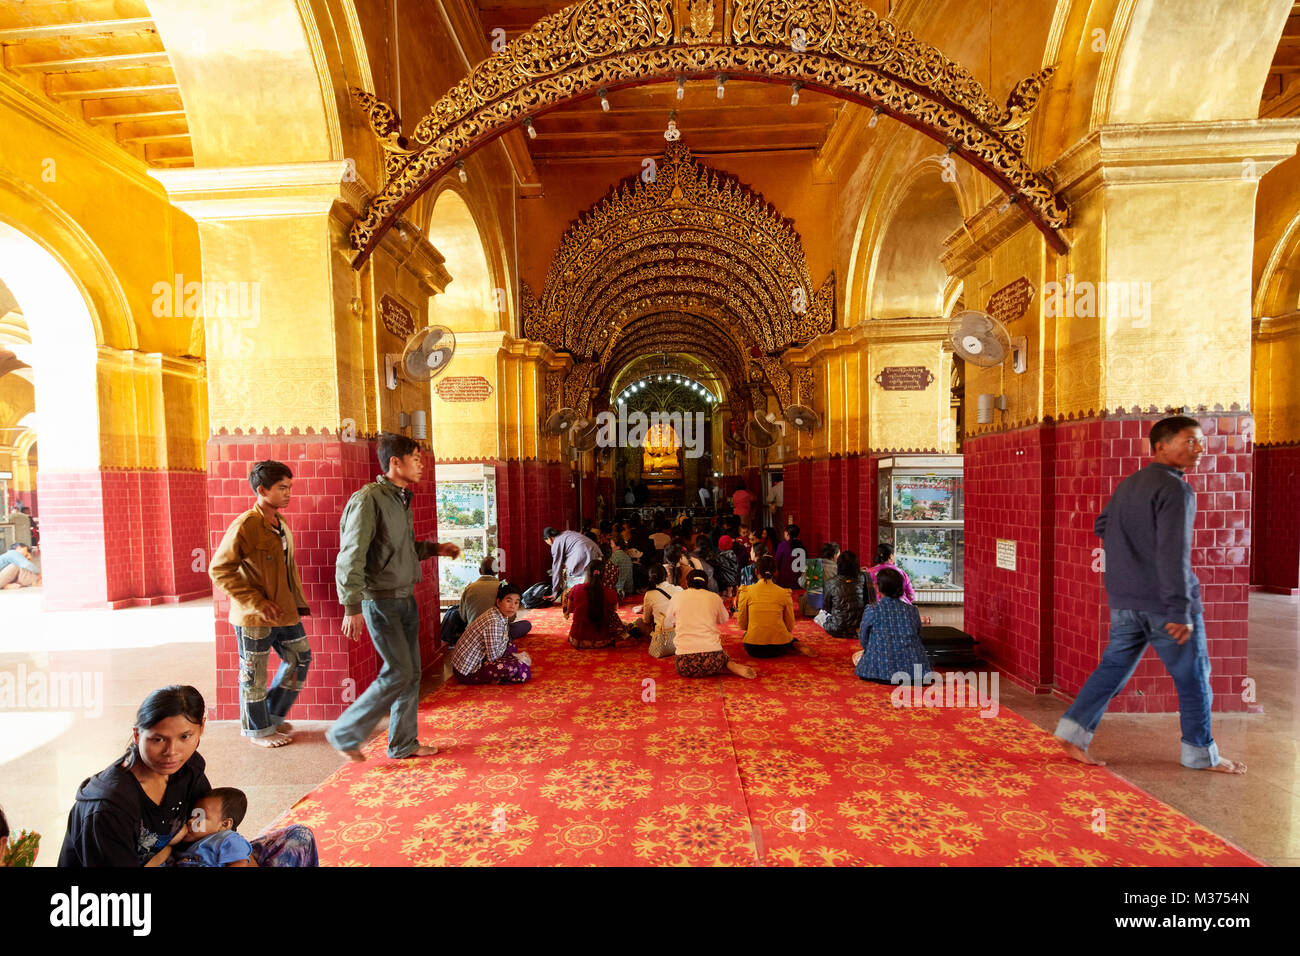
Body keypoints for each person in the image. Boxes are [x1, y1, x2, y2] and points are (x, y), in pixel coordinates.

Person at [1054, 416, 1246, 774]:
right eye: (1189, 441)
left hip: (1126, 599)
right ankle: (1200, 754)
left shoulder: (1130, 484)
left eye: (1200, 441)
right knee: (1193, 676)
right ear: (1160, 447)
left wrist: (1132, 554)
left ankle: (1073, 733)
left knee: (1113, 668)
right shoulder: (1176, 489)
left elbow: (1102, 525)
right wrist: (1180, 610)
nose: (1199, 448)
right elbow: (1173, 552)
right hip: (1164, 604)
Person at [58, 685, 317, 867]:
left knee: (298, 838)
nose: (172, 752)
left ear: (201, 728)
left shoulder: (188, 769)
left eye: (185, 737)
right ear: (138, 735)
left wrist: (237, 857)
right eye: (158, 739)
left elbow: (209, 828)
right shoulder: (106, 808)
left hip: (184, 859)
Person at [330, 433, 461, 762]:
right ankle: (345, 732)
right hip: (381, 601)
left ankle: (403, 743)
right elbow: (351, 556)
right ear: (395, 462)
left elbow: (401, 550)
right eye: (415, 459)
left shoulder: (401, 499)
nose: (420, 465)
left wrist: (434, 549)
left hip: (405, 599)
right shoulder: (368, 500)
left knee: (411, 673)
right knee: (399, 671)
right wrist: (352, 606)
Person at [209, 460, 313, 749]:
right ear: (262, 489)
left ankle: (271, 716)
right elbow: (219, 569)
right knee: (253, 673)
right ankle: (258, 730)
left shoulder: (279, 523)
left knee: (300, 658)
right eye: (282, 488)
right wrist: (256, 602)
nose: (288, 493)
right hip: (254, 617)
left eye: (289, 487)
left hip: (284, 611)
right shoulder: (246, 524)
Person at [664, 569, 757, 678]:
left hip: (684, 664)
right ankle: (728, 664)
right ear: (707, 583)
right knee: (718, 649)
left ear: (687, 583)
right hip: (713, 661)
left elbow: (670, 620)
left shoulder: (677, 597)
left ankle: (727, 665)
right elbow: (723, 620)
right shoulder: (714, 597)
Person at [855, 567, 928, 681]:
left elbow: (863, 636)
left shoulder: (872, 609)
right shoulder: (912, 610)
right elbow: (918, 635)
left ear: (879, 588)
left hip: (879, 671)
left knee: (857, 656)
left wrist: (871, 651)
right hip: (913, 672)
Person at [449, 583, 533, 684]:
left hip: (470, 662)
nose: (512, 606)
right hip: (467, 672)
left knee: (511, 646)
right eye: (508, 601)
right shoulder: (494, 621)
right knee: (520, 670)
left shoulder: (497, 613)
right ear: (499, 602)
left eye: (516, 603)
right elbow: (494, 657)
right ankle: (499, 678)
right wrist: (513, 658)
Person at [738, 555, 815, 658]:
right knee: (786, 636)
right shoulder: (784, 593)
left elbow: (742, 624)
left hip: (753, 647)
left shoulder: (746, 591)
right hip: (779, 647)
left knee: (746, 635)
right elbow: (789, 626)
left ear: (756, 572)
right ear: (775, 572)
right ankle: (793, 644)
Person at [163, 788, 257, 867]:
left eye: (199, 817)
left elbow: (240, 863)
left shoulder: (228, 839)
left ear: (225, 824)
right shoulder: (189, 845)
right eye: (192, 816)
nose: (190, 821)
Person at [460, 557, 531, 641]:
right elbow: (511, 617)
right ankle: (504, 639)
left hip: (473, 634)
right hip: (496, 633)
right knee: (526, 625)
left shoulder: (469, 588)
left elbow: (463, 617)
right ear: (497, 570)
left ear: (480, 570)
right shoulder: (504, 587)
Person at [565, 561, 628, 648]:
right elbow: (614, 610)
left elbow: (570, 610)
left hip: (577, 640)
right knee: (623, 625)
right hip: (602, 640)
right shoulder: (611, 593)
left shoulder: (576, 589)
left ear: (587, 573)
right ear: (604, 575)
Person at [821, 550, 869, 639]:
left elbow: (826, 608)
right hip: (860, 627)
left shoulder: (830, 583)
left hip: (837, 628)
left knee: (820, 616)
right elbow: (869, 601)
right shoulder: (864, 577)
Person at [544, 525, 602, 599]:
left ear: (549, 538)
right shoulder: (566, 533)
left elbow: (556, 567)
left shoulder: (556, 543)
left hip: (583, 556)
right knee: (594, 579)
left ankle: (577, 600)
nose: (548, 544)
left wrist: (554, 592)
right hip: (596, 551)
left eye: (546, 542)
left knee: (575, 582)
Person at [639, 563, 681, 657]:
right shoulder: (678, 589)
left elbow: (646, 620)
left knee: (639, 622)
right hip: (681, 637)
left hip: (664, 640)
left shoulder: (649, 594)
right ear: (666, 575)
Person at [799, 541, 839, 617]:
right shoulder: (837, 569)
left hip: (809, 609)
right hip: (828, 611)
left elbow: (802, 583)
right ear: (834, 556)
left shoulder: (812, 565)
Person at [774, 524, 803, 590]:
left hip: (785, 582)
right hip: (799, 582)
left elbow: (777, 562)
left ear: (787, 533)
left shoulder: (783, 545)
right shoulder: (802, 545)